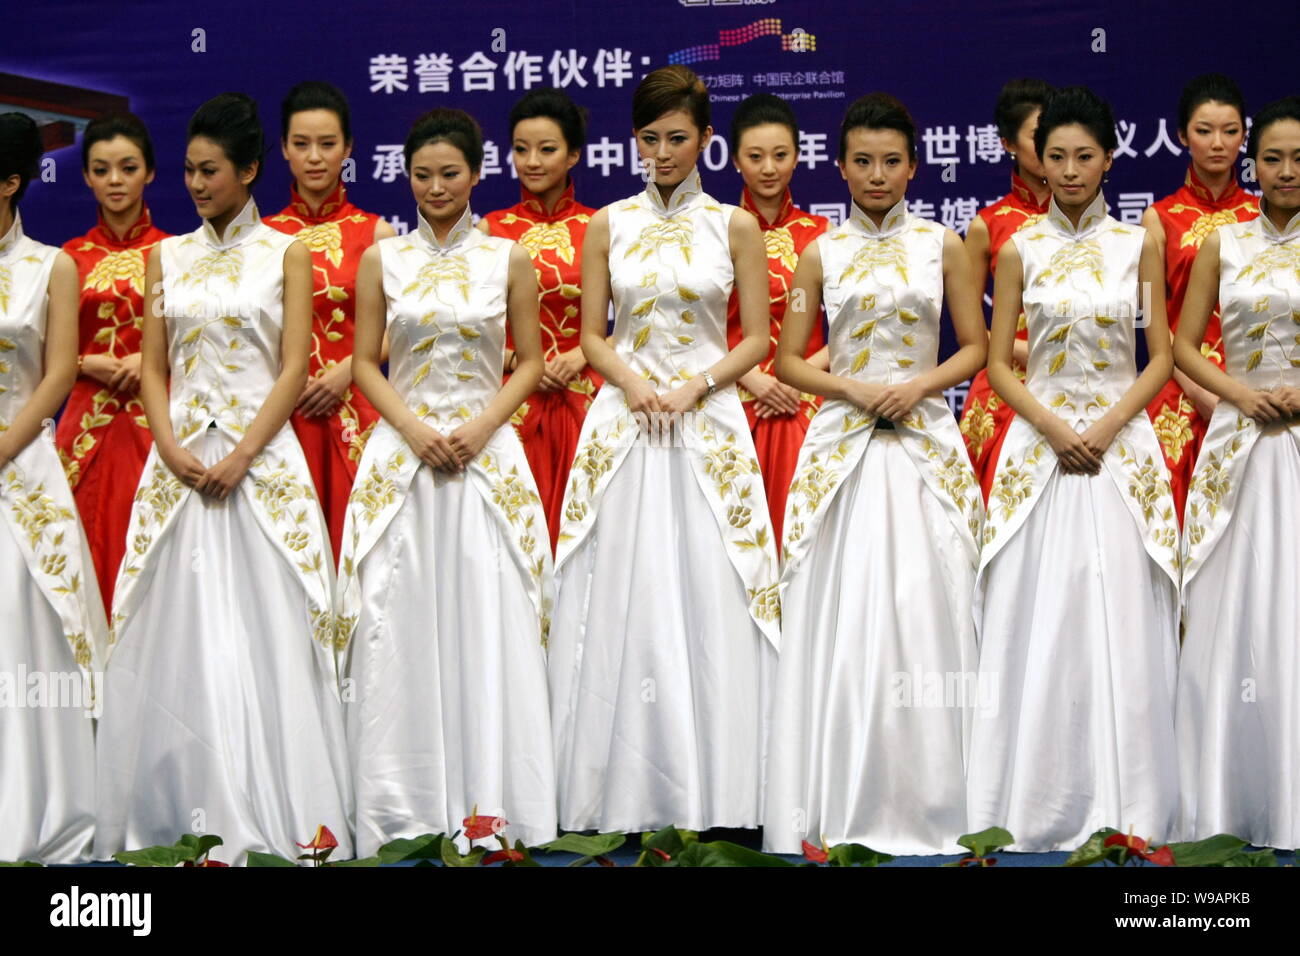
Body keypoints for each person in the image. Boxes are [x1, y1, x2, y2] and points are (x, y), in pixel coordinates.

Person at [94, 93, 352, 865]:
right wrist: (169, 447)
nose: (196, 184)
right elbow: (153, 365)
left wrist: (243, 454)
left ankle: (284, 815)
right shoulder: (164, 256)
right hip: (179, 467)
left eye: (210, 171)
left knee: (270, 634)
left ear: (247, 170)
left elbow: (294, 366)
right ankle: (177, 809)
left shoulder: (286, 253)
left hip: (259, 466)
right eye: (188, 171)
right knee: (174, 636)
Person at [548, 65, 778, 833]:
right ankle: (614, 794)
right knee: (622, 592)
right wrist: (633, 382)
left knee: (714, 594)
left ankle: (723, 795)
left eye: (679, 138)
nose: (665, 152)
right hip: (627, 421)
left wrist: (697, 385)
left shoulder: (735, 226)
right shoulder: (608, 223)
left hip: (707, 424)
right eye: (651, 139)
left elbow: (755, 339)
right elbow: (589, 334)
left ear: (707, 140)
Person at [762, 93, 986, 855]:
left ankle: (937, 796)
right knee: (842, 612)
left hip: (923, 437)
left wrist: (920, 386)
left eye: (891, 161)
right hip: (844, 442)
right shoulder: (819, 254)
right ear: (841, 167)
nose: (878, 174)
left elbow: (973, 348)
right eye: (863, 161)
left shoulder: (943, 245)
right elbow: (790, 360)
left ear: (914, 167)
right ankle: (837, 793)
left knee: (931, 606)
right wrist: (854, 388)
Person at [966, 86, 1182, 851]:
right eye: (1054, 156)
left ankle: (1134, 802)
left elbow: (1160, 357)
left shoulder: (1139, 245)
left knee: (1123, 613)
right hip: (1041, 444)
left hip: (1119, 446)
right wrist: (1057, 427)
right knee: (1038, 616)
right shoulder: (1017, 247)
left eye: (1083, 156)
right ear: (1036, 159)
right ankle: (1031, 802)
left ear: (1109, 160)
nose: (1068, 169)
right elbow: (995, 362)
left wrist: (1109, 425)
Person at [336, 108, 556, 854]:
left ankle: (494, 807)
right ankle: (402, 807)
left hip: (484, 456)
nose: (436, 187)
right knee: (398, 622)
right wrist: (414, 429)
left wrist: (481, 425)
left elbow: (528, 360)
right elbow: (366, 361)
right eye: (423, 175)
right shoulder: (381, 258)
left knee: (490, 620)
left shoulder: (508, 259)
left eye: (450, 173)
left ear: (476, 174)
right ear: (406, 178)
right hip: (404, 457)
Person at [1175, 96, 1300, 850]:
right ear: (1255, 163)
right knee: (1235, 610)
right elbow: (1184, 346)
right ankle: (1231, 792)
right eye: (1275, 159)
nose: (1287, 172)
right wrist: (1239, 393)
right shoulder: (1224, 242)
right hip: (1239, 438)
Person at [0, 112, 107, 864]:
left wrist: (5, 443)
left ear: (10, 183)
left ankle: (40, 812)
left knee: (29, 638)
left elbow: (62, 369)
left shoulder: (51, 266)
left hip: (22, 465)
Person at [265, 81, 394, 563]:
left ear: (349, 148)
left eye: (327, 144)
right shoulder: (262, 238)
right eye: (301, 144)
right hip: (282, 409)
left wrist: (347, 371)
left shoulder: (377, 234)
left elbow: (401, 328)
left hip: (357, 406)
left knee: (362, 549)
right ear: (283, 149)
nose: (315, 157)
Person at [56, 114, 169, 617]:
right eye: (102, 170)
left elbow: (200, 345)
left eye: (128, 167)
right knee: (74, 545)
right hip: (85, 420)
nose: (116, 180)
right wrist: (85, 361)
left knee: (156, 541)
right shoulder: (67, 259)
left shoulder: (175, 253)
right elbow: (41, 352)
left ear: (150, 172)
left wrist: (150, 358)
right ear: (86, 177)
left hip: (158, 417)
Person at [480, 87, 600, 554]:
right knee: (513, 538)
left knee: (588, 534)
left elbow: (631, 319)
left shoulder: (600, 226)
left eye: (547, 149)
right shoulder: (489, 231)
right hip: (513, 399)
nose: (532, 161)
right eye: (521, 149)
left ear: (573, 155)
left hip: (586, 394)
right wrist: (515, 359)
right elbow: (468, 326)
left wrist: (579, 353)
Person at [1142, 74, 1260, 522]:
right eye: (1203, 130)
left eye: (1230, 131)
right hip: (1180, 389)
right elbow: (1155, 322)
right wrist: (1200, 392)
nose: (1217, 143)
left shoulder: (1262, 218)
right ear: (1181, 135)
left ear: (1244, 137)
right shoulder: (1158, 219)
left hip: (1257, 383)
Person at [725, 93, 830, 544]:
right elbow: (692, 327)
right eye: (755, 156)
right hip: (730, 395)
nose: (768, 168)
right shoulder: (713, 232)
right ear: (734, 161)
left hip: (808, 397)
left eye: (780, 155)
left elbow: (851, 329)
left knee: (809, 535)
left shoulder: (823, 235)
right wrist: (752, 379)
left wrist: (796, 378)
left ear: (798, 157)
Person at [957, 79, 1054, 502]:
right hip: (1006, 379)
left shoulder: (1100, 229)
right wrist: (1020, 352)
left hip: (1083, 376)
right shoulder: (986, 225)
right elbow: (969, 329)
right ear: (1007, 143)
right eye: (1038, 135)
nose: (1051, 145)